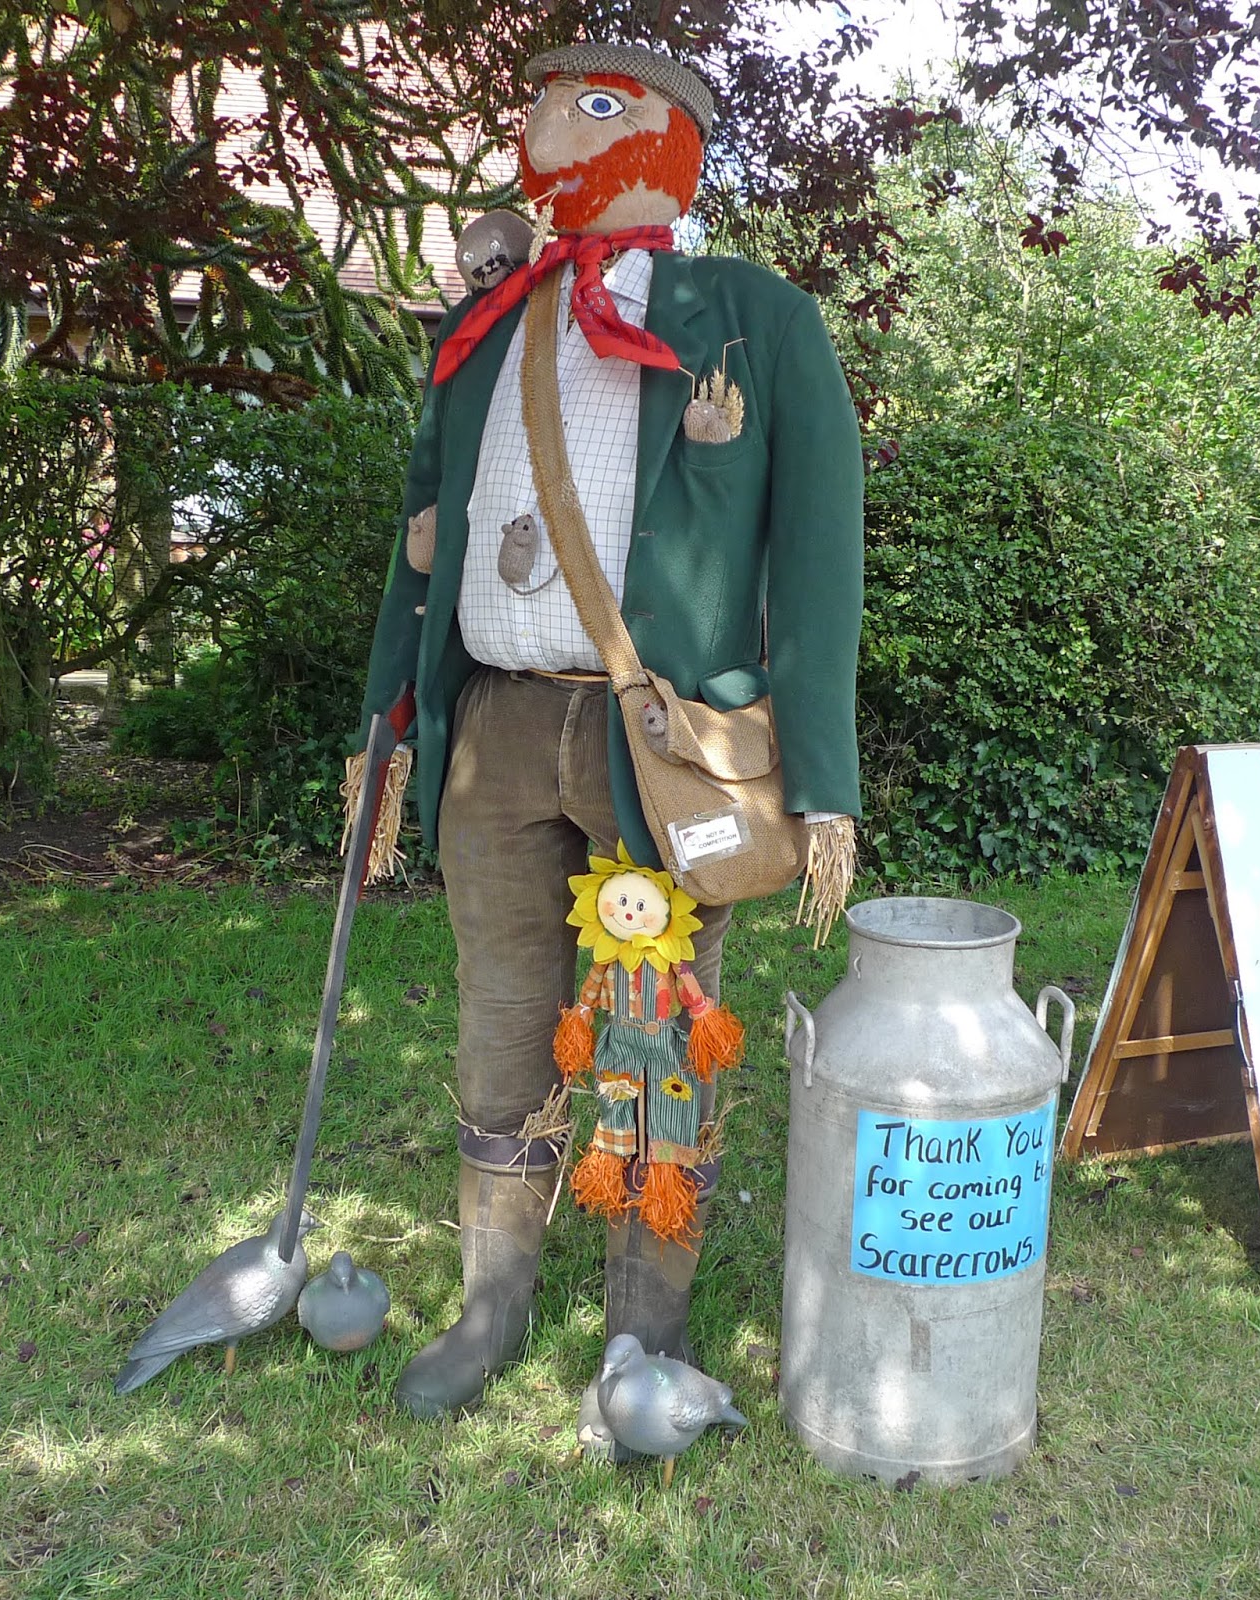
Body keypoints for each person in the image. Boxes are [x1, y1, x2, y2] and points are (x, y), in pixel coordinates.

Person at [349, 41, 864, 1445]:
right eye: (537, 108)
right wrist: (385, 727)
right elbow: (419, 540)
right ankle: (495, 1300)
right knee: (502, 1018)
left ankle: (649, 1319)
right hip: (495, 729)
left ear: (671, 138)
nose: (540, 131)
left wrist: (821, 780)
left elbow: (819, 562)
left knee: (662, 1035)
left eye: (587, 108)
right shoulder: (485, 326)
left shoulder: (752, 320)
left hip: (658, 745)